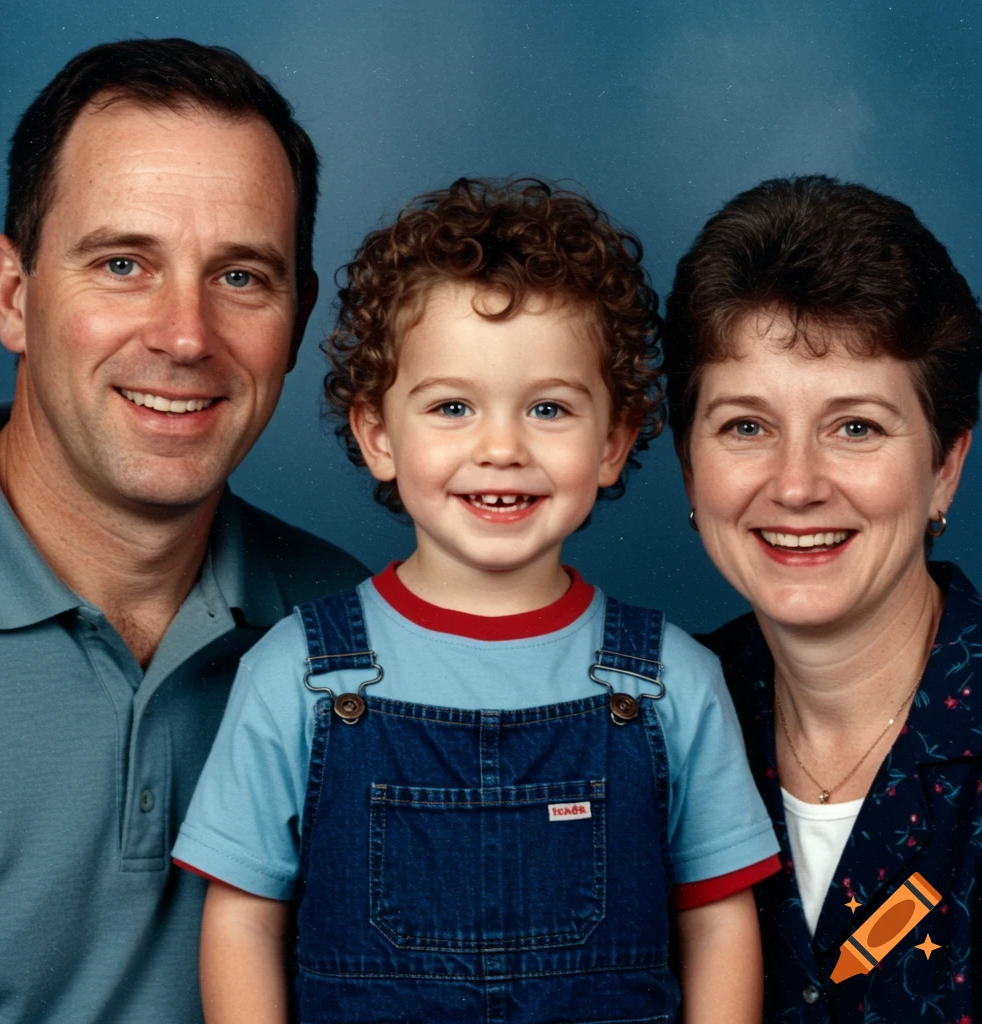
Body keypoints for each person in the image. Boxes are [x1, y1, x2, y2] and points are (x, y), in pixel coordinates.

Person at [173, 177, 781, 1024]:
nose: (501, 447)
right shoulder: (297, 675)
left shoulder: (672, 680)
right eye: (453, 407)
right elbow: (242, 919)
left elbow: (717, 921)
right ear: (378, 434)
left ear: (613, 440)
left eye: (548, 408)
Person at [0, 38, 367, 1024]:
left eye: (241, 278)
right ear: (14, 295)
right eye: (124, 262)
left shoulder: (352, 639)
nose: (185, 336)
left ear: (298, 318)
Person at [663, 174, 982, 1021]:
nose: (796, 486)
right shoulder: (640, 726)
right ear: (690, 468)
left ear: (946, 463)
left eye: (856, 427)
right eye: (746, 426)